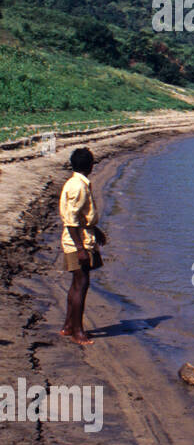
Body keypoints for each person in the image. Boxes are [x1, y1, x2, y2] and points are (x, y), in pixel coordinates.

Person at [59, 147, 106, 346]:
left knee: (77, 284)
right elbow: (71, 220)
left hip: (83, 237)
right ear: (90, 166)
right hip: (78, 241)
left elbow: (81, 217)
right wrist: (80, 249)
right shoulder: (78, 186)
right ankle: (78, 332)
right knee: (81, 284)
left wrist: (97, 231)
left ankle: (69, 325)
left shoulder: (77, 183)